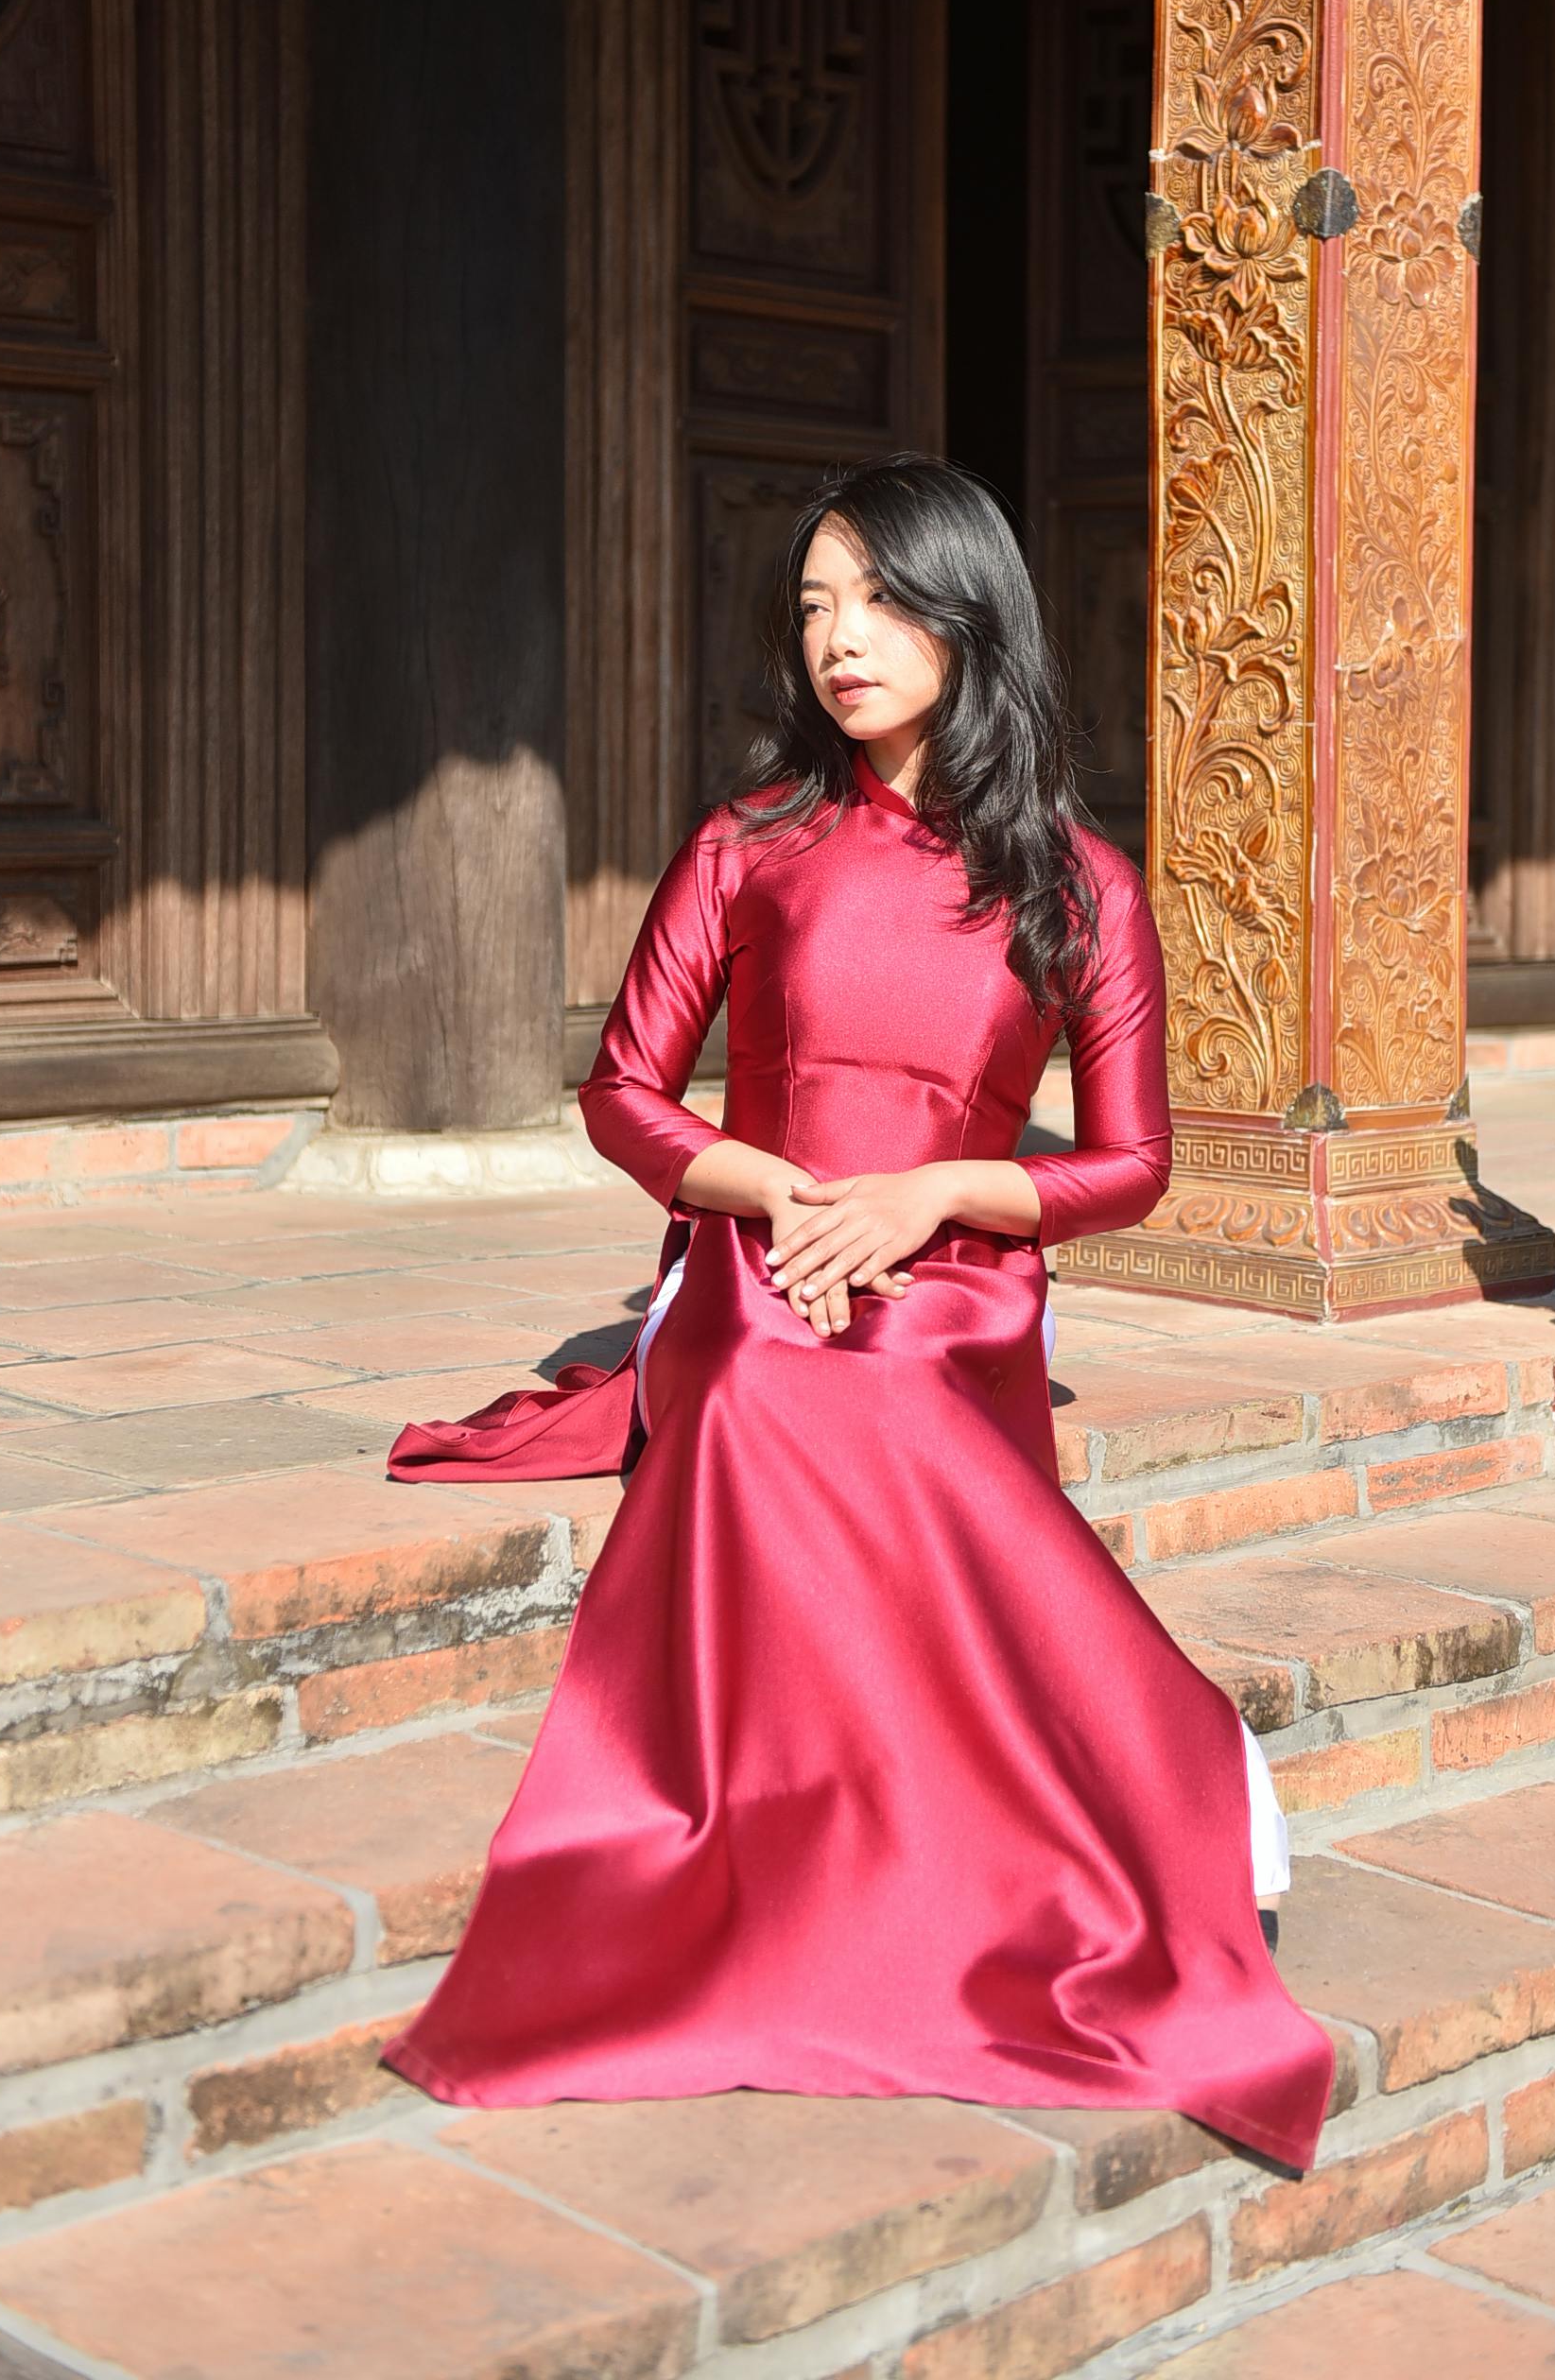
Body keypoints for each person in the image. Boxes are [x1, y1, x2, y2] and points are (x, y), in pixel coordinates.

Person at [383, 454, 1336, 2171]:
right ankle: (853, 1849)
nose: (841, 638)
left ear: (973, 616)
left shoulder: (1083, 885)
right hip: (751, 1252)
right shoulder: (749, 846)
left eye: (883, 601)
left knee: (896, 1373)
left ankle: (1160, 1769)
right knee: (775, 1377)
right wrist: (774, 1193)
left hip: (962, 1272)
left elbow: (1130, 1166)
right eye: (817, 605)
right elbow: (622, 1093)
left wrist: (933, 1196)